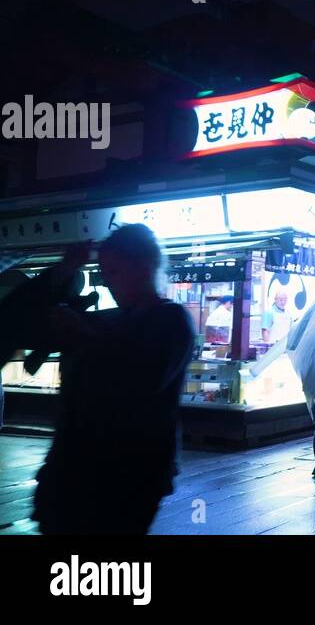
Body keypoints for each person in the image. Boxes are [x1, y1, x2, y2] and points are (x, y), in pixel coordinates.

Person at [32, 225, 195, 534]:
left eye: (114, 271)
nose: (108, 282)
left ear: (143, 268)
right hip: (75, 468)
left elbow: (142, 380)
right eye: (104, 272)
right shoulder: (111, 319)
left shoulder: (172, 320)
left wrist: (86, 334)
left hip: (130, 472)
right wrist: (66, 269)